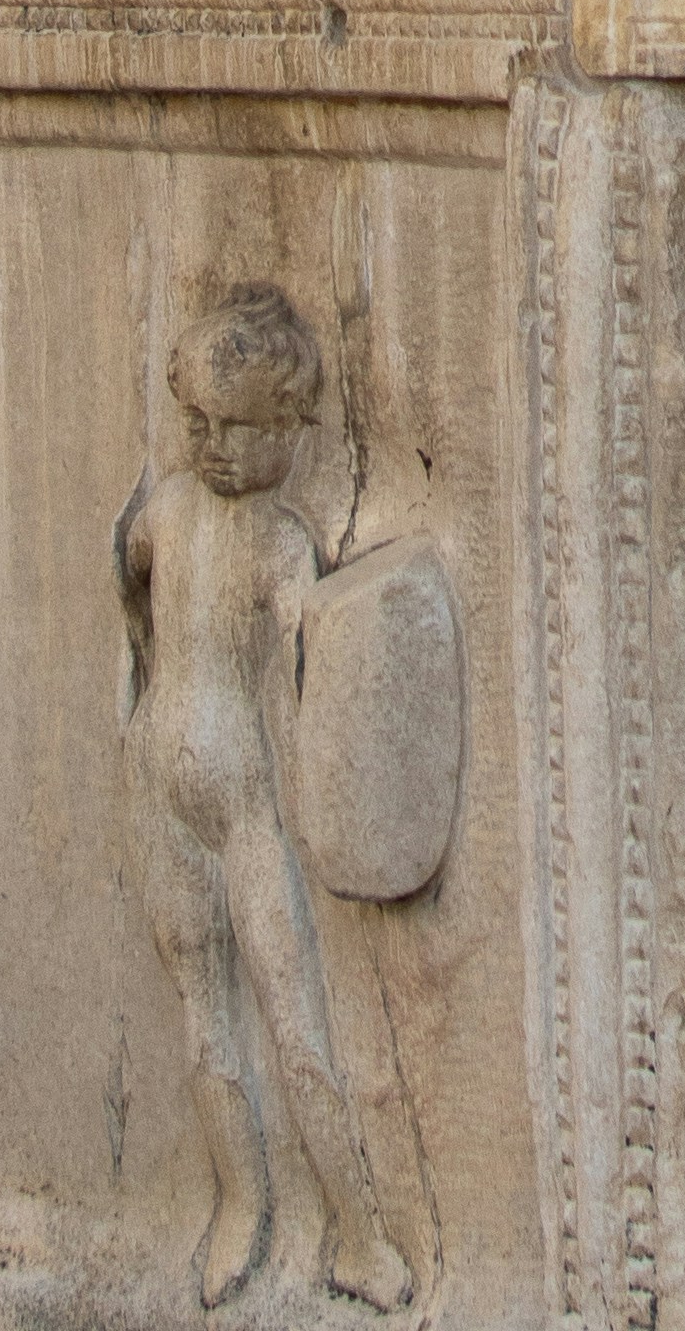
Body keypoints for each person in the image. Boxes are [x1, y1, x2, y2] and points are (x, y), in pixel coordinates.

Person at [114, 288, 414, 1316]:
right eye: (199, 423)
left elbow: (326, 669)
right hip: (164, 781)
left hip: (248, 803)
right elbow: (135, 605)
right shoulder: (166, 513)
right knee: (205, 1010)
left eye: (241, 429)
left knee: (293, 1020)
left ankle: (364, 1233)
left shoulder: (282, 544)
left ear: (293, 429)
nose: (216, 447)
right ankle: (243, 1202)